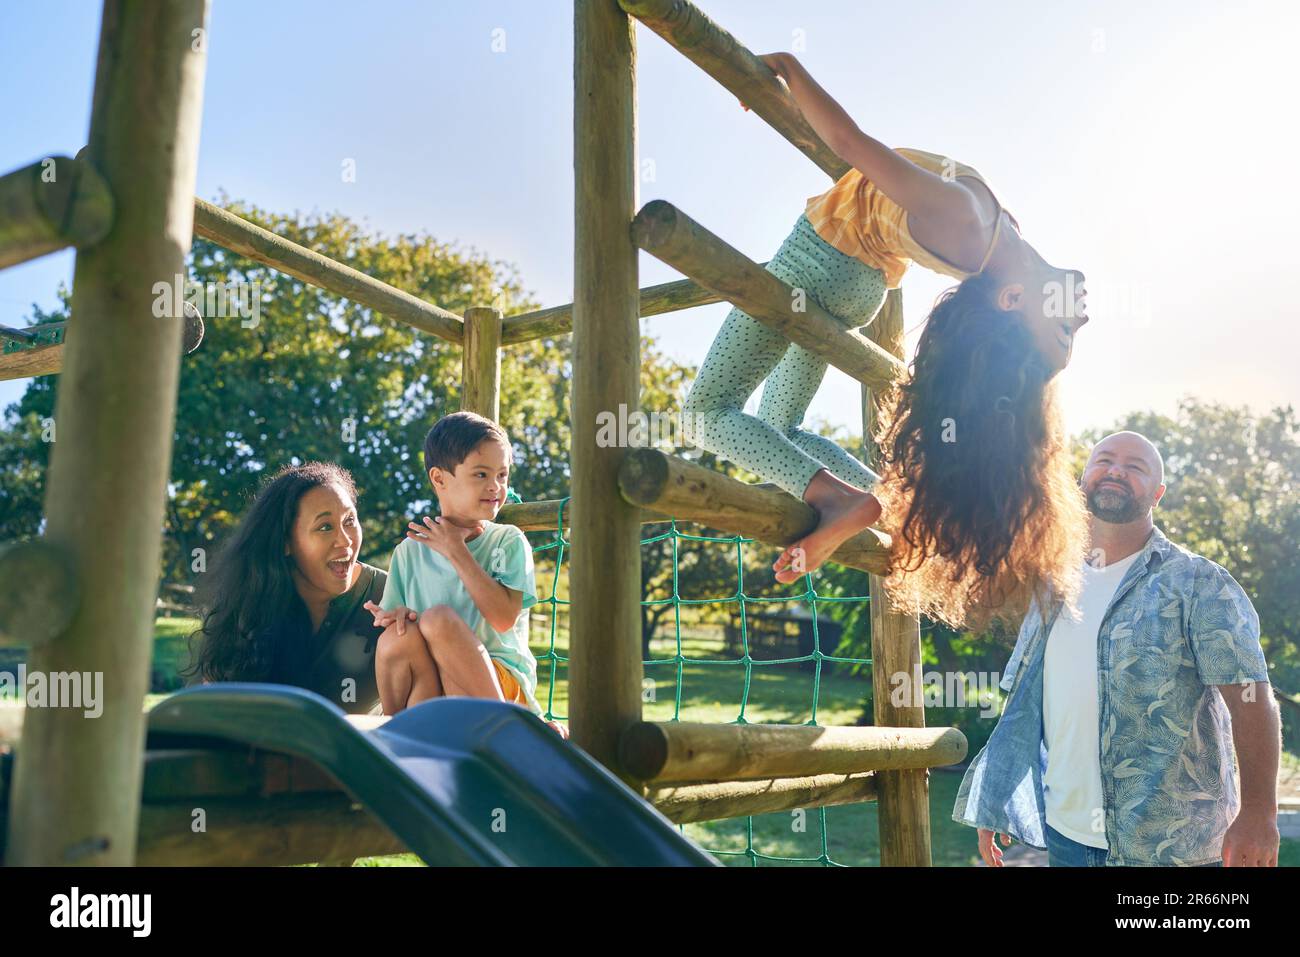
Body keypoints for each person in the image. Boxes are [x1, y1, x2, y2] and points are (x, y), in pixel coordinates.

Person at [683, 50, 1090, 628]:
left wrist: (791, 70)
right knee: (779, 427)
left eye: (1064, 330)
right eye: (1072, 331)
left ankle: (840, 500)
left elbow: (850, 144)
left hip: (818, 262)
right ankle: (878, 497)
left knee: (703, 414)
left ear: (1013, 302)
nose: (1081, 320)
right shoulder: (1005, 241)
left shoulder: (970, 221)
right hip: (857, 283)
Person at [953, 431, 1281, 866]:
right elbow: (1029, 701)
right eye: (1104, 460)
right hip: (1066, 837)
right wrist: (1000, 794)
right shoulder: (1053, 583)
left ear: (1157, 494)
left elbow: (1251, 700)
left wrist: (1259, 814)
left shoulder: (1200, 583)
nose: (1116, 471)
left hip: (1170, 846)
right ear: (1083, 479)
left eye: (1136, 467)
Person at [365, 411, 567, 737]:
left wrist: (457, 551)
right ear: (440, 479)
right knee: (397, 636)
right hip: (435, 691)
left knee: (438, 620)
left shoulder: (507, 541)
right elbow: (395, 630)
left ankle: (511, 730)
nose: (495, 486)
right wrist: (394, 617)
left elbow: (503, 618)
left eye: (503, 475)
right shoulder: (409, 552)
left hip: (497, 687)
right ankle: (395, 736)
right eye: (481, 474)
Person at [185, 461, 387, 714]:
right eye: (325, 527)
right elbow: (213, 711)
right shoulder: (246, 602)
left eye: (349, 521)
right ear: (286, 543)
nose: (345, 540)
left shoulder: (388, 593)